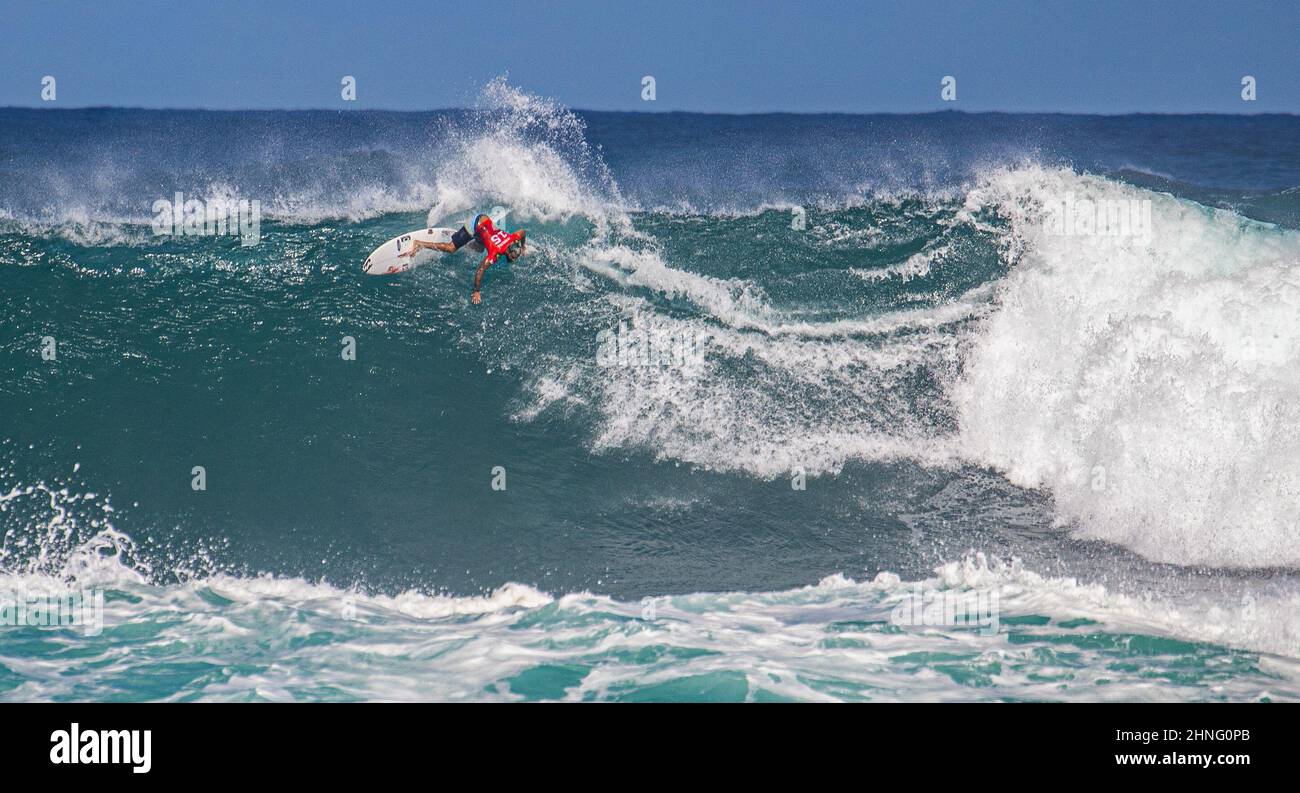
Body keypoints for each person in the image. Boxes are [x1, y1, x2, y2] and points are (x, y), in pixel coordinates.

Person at [403, 212, 526, 304]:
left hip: (485, 223)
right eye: (514, 257)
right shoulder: (495, 253)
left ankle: (463, 240)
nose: (515, 259)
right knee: (451, 249)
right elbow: (480, 270)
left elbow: (522, 232)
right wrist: (476, 291)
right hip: (475, 224)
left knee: (480, 249)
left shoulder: (513, 239)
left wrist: (523, 246)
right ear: (508, 253)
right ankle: (420, 244)